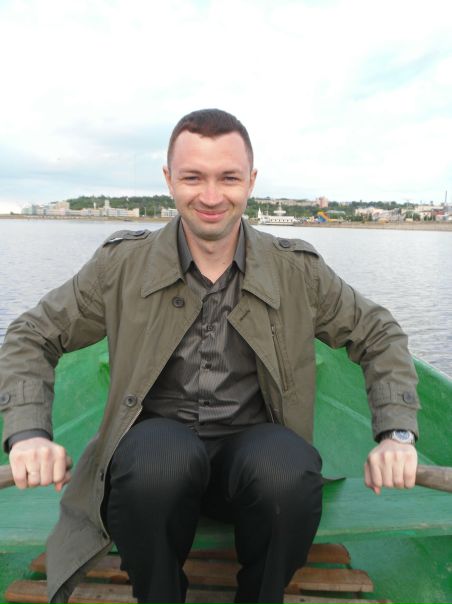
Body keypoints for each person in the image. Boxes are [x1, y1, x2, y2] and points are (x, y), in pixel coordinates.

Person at [0, 109, 419, 604]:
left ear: (251, 181)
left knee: (287, 468)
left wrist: (396, 435)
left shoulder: (297, 271)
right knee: (160, 457)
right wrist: (28, 434)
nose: (212, 196)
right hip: (153, 473)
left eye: (229, 178)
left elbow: (378, 333)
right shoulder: (121, 266)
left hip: (250, 470)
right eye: (193, 177)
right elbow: (31, 334)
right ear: (169, 180)